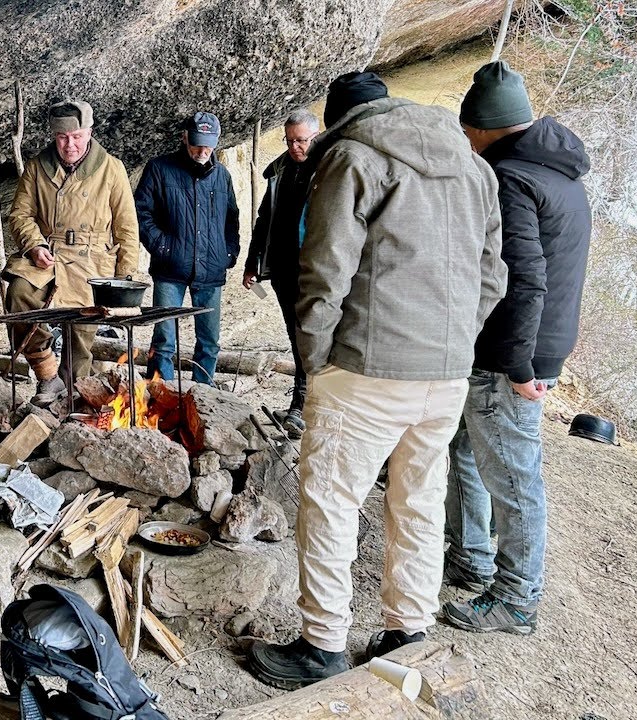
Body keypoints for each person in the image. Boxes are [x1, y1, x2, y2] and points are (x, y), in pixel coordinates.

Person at [246, 71, 507, 689]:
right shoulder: (473, 167)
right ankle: (407, 630)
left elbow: (324, 272)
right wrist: (452, 344)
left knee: (332, 504)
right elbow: (493, 275)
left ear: (339, 121)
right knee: (417, 501)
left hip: (364, 368)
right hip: (445, 375)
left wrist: (317, 360)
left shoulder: (352, 158)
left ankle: (323, 644)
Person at [442, 61, 592, 635]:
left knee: (512, 474)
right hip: (528, 345)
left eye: (468, 131)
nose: (466, 142)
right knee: (471, 454)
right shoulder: (560, 172)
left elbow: (525, 279)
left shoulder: (510, 178)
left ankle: (516, 597)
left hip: (510, 354)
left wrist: (521, 365)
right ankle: (472, 555)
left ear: (484, 126)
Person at [3, 99, 140, 403]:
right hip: (48, 257)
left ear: (89, 132)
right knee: (19, 294)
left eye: (77, 137)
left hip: (92, 262)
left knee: (80, 333)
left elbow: (127, 229)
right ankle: (47, 372)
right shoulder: (38, 167)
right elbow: (20, 215)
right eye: (63, 138)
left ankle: (74, 401)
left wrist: (124, 281)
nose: (70, 145)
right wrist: (35, 245)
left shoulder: (111, 168)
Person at [134, 112, 239, 385]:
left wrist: (228, 253)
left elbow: (231, 218)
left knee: (209, 341)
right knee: (164, 340)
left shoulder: (222, 176)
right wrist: (162, 246)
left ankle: (204, 400)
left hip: (211, 271)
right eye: (197, 143)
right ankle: (161, 397)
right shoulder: (159, 168)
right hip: (170, 268)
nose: (202, 150)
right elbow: (142, 212)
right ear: (185, 138)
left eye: (208, 144)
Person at [243, 109, 321, 437]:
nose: (295, 147)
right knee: (296, 336)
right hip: (284, 270)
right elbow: (265, 220)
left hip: (318, 272)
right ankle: (301, 405)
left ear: (316, 136)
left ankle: (304, 406)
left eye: (301, 140)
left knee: (313, 336)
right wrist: (253, 263)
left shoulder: (330, 169)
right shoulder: (279, 171)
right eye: (290, 141)